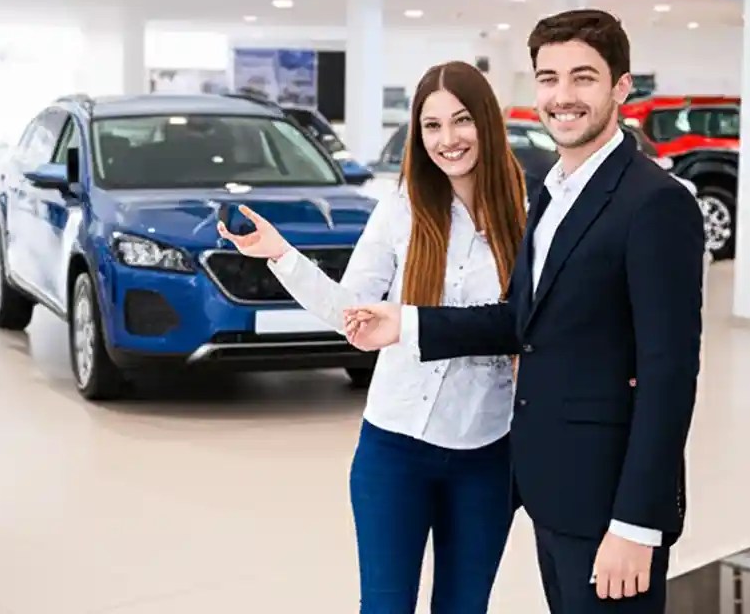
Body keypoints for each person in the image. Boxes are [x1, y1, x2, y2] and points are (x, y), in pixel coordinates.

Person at [342, 9, 706, 613]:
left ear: (621, 86)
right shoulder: (553, 193)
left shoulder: (656, 203)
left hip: (610, 510)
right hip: (551, 495)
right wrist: (406, 322)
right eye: (548, 78)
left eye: (583, 78)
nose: (563, 96)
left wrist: (638, 524)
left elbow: (669, 376)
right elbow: (522, 322)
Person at [219, 61, 528, 612]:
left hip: (488, 454)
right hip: (396, 449)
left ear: (486, 122)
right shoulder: (401, 211)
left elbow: (529, 327)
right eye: (431, 126)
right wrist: (283, 258)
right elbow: (351, 314)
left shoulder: (524, 219)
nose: (447, 140)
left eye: (460, 121)